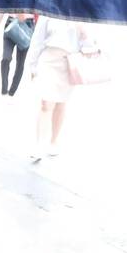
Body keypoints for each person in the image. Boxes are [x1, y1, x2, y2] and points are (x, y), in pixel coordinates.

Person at [26, 16, 94, 161]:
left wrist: (83, 30)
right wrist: (33, 66)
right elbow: (37, 39)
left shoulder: (81, 11)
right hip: (48, 60)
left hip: (69, 62)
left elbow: (89, 47)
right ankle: (39, 145)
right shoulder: (48, 9)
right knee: (46, 103)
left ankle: (54, 141)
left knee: (61, 103)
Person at [0, 11, 35, 97]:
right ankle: (4, 90)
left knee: (20, 63)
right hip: (10, 24)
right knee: (6, 58)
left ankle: (11, 93)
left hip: (27, 25)